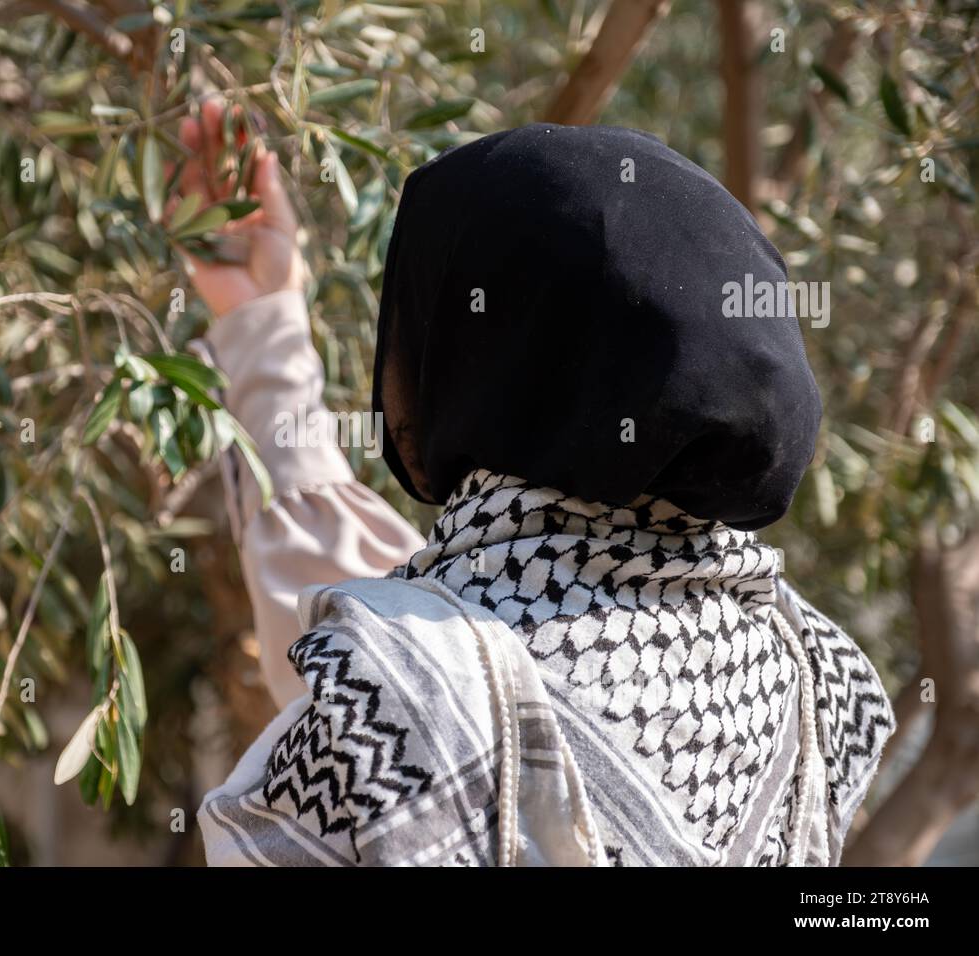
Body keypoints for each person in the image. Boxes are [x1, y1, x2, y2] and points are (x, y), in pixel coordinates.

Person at [176, 101, 896, 866]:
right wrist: (262, 325)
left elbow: (432, 674)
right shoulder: (814, 675)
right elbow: (439, 632)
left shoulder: (386, 709)